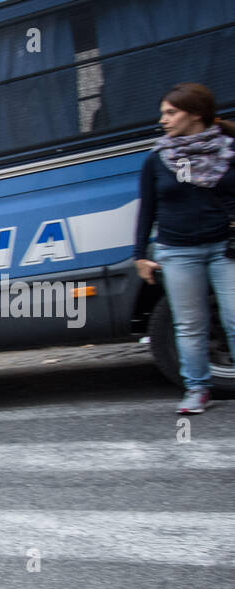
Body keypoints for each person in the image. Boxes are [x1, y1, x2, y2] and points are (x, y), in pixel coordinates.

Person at [134, 82, 235, 414]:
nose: (163, 119)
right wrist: (140, 257)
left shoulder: (230, 149)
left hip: (226, 248)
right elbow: (147, 209)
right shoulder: (158, 158)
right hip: (178, 252)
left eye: (170, 112)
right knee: (190, 324)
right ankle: (197, 389)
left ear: (195, 115)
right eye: (163, 113)